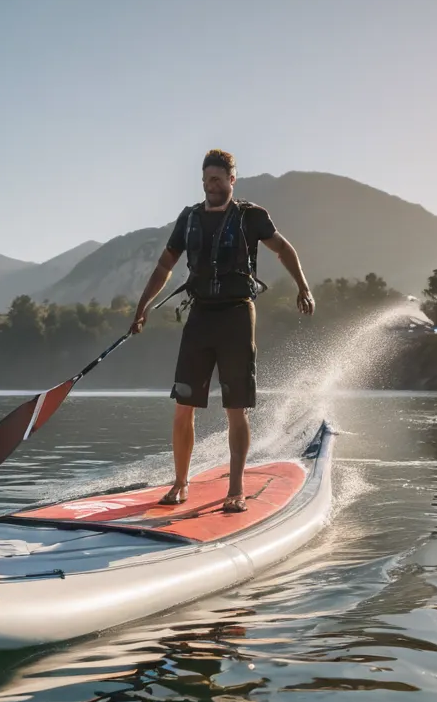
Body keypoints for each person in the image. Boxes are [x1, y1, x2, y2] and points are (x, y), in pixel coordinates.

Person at [129, 149, 314, 513]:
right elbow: (165, 265)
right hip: (200, 318)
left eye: (216, 179)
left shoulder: (251, 216)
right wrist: (142, 307)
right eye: (205, 180)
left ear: (232, 179)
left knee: (236, 408)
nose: (210, 185)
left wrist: (303, 287)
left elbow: (283, 249)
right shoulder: (189, 218)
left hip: (236, 317)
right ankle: (180, 483)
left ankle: (236, 489)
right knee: (183, 407)